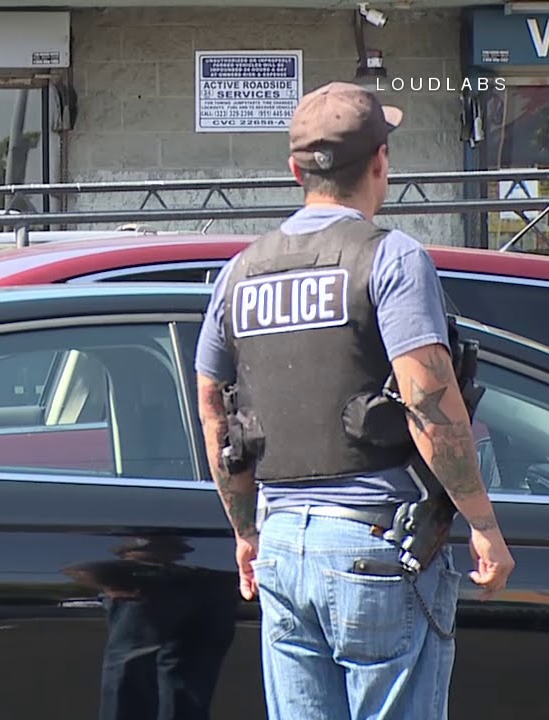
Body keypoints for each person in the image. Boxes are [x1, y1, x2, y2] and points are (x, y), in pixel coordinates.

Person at [193, 82, 516, 720]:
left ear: (294, 172)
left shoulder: (241, 272)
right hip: (376, 545)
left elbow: (211, 400)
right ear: (380, 162)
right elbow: (427, 398)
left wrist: (245, 530)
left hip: (283, 547)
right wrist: (483, 524)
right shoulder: (390, 258)